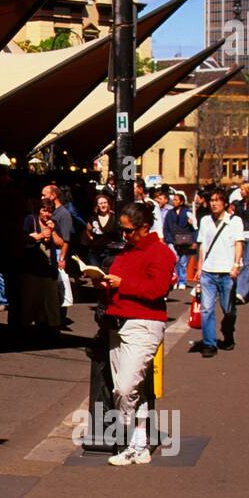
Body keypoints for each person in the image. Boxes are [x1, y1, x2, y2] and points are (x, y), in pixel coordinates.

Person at [83, 202, 176, 465]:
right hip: (118, 323)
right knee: (131, 387)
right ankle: (139, 443)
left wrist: (123, 284)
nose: (125, 236)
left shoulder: (161, 253)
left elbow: (157, 289)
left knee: (125, 388)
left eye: (128, 230)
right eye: (122, 230)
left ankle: (129, 438)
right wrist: (102, 283)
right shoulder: (125, 252)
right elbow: (121, 285)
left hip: (144, 324)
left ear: (144, 227)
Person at [195, 188, 244, 356]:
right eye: (211, 200)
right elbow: (202, 245)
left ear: (224, 203)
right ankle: (210, 344)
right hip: (209, 271)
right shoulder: (205, 221)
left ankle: (228, 333)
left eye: (217, 200)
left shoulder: (235, 221)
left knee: (228, 309)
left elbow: (239, 243)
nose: (214, 203)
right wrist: (199, 267)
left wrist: (236, 265)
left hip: (227, 272)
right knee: (207, 309)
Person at [20, 198, 63, 336]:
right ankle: (25, 328)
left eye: (50, 211)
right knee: (30, 300)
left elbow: (60, 243)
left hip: (49, 269)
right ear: (39, 210)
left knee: (51, 302)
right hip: (32, 268)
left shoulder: (53, 224)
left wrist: (52, 230)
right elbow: (22, 239)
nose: (47, 214)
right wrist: (40, 235)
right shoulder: (30, 220)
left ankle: (52, 328)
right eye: (44, 210)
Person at [42, 182, 73, 326]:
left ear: (53, 195)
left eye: (44, 194)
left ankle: (59, 318)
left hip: (58, 252)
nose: (42, 197)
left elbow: (66, 240)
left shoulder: (64, 214)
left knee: (59, 288)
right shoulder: (51, 211)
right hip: (51, 252)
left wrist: (62, 258)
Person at [162, 190, 196, 289]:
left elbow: (194, 227)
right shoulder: (170, 213)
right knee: (174, 260)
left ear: (181, 202)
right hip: (172, 239)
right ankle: (175, 279)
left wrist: (193, 239)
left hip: (184, 240)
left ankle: (182, 281)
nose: (174, 201)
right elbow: (166, 227)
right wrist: (167, 239)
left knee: (183, 261)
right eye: (174, 200)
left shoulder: (187, 212)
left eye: (176, 200)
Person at [86, 192, 121, 272]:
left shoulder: (114, 218)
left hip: (109, 253)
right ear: (97, 205)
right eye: (100, 203)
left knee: (107, 275)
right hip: (94, 253)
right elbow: (88, 230)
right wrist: (92, 238)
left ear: (108, 204)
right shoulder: (93, 218)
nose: (103, 205)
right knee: (96, 276)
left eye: (105, 203)